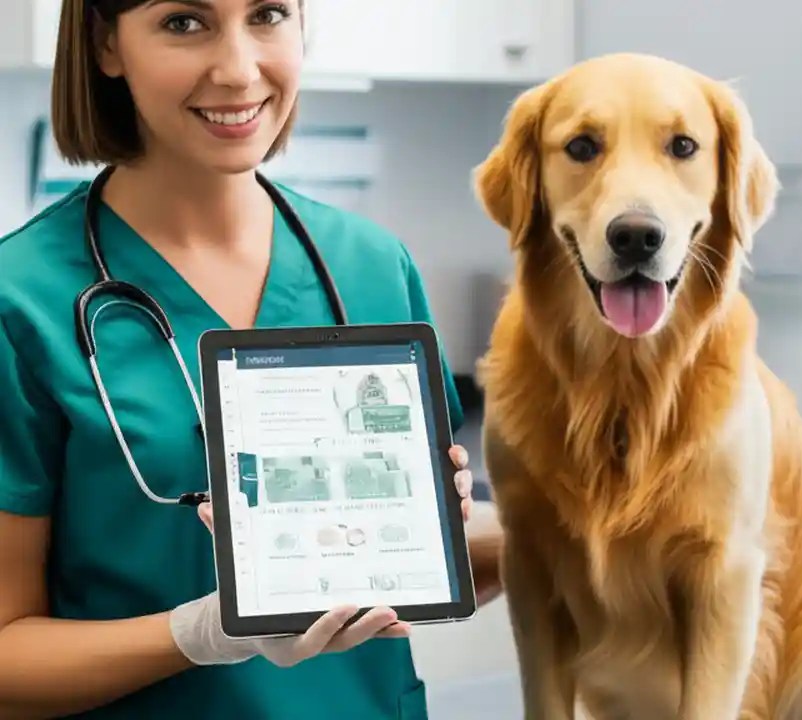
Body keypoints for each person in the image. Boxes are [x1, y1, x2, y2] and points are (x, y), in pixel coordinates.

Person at [0, 0, 504, 717]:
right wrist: (202, 634)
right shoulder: (21, 297)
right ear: (106, 44)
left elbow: (407, 585)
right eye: (184, 22)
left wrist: (461, 542)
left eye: (267, 13)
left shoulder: (371, 264)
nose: (238, 70)